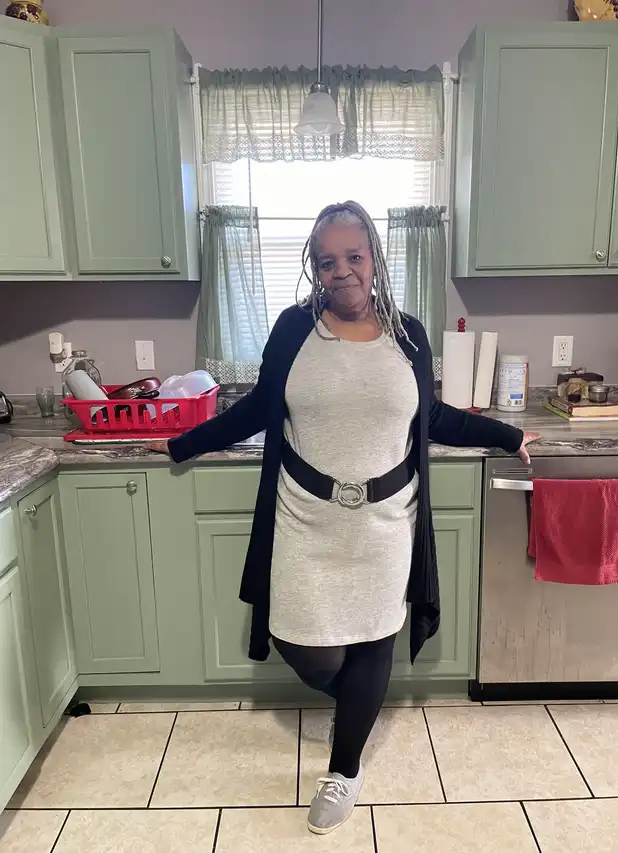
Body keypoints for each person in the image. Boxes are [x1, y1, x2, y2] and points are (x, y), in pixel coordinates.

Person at [150, 200, 538, 835]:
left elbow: (431, 417)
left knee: (375, 639)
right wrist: (179, 444)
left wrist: (505, 434)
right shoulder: (293, 330)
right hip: (305, 517)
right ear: (315, 268)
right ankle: (359, 701)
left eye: (354, 257)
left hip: (386, 520)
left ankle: (345, 767)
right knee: (307, 650)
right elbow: (256, 408)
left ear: (375, 259)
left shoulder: (408, 335)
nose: (342, 271)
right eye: (327, 261)